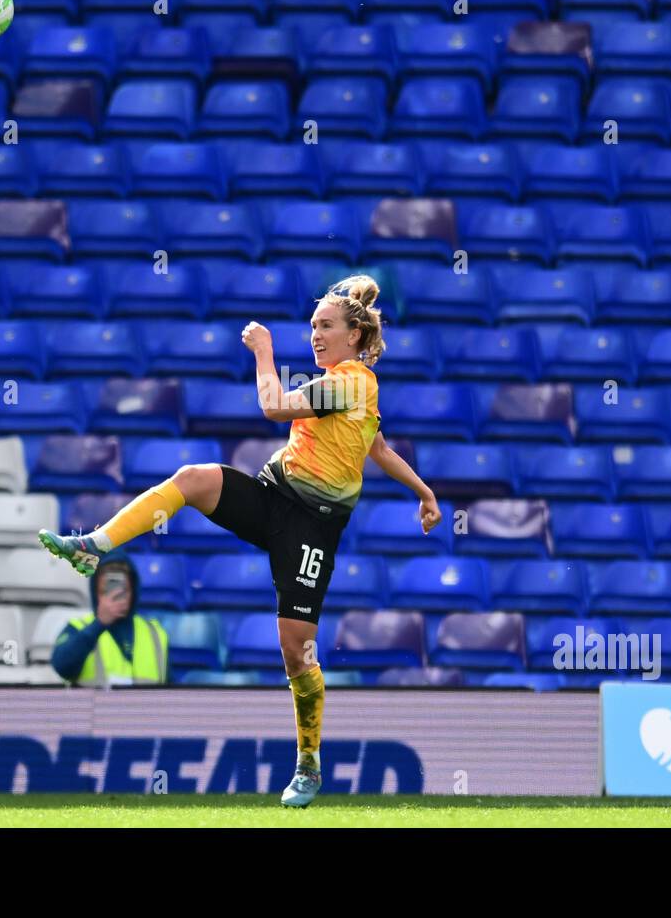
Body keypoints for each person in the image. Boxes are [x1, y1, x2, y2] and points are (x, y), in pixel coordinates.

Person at [38, 276, 441, 806]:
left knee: (296, 652)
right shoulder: (349, 388)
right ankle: (95, 545)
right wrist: (425, 492)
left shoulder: (353, 381)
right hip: (274, 496)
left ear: (355, 336)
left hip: (312, 528)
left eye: (326, 326)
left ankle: (309, 764)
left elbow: (273, 405)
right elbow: (379, 445)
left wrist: (264, 350)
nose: (316, 335)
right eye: (313, 326)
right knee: (192, 478)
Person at [50, 547, 168, 686]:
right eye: (108, 589)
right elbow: (61, 667)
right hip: (94, 708)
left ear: (132, 590)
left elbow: (169, 692)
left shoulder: (155, 633)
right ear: (96, 592)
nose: (115, 596)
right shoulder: (78, 628)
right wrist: (99, 623)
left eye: (122, 589)